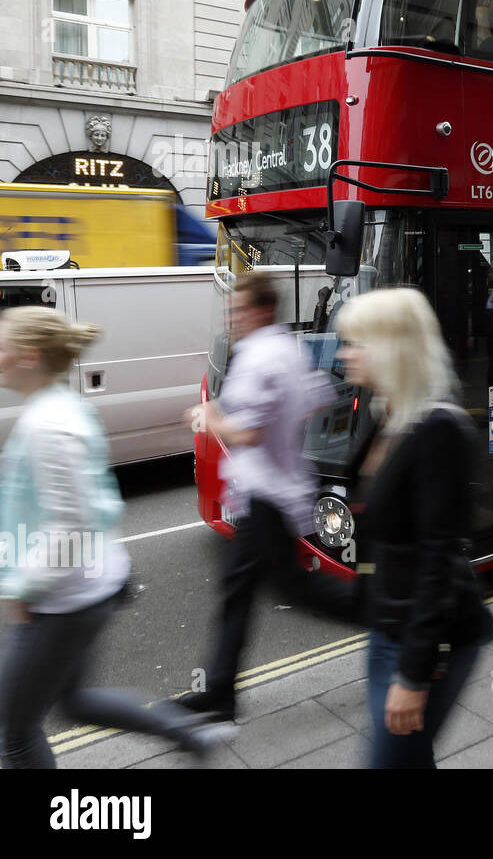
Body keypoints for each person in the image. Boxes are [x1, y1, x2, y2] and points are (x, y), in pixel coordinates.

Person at [0, 307, 233, 767]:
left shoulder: (48, 425)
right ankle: (188, 733)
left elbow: (72, 523)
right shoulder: (59, 408)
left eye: (2, 343)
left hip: (62, 599)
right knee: (75, 702)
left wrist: (19, 588)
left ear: (28, 355)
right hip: (83, 587)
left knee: (14, 733)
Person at [179, 271, 355, 722]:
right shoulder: (287, 349)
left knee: (281, 590)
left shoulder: (260, 356)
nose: (232, 318)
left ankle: (394, 619)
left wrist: (209, 416)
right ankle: (220, 693)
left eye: (237, 310)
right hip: (275, 493)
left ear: (260, 310)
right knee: (266, 589)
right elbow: (317, 398)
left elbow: (250, 432)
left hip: (268, 498)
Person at [336, 288, 493, 769]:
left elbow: (438, 560)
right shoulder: (388, 416)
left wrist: (413, 674)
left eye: (355, 343)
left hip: (428, 643)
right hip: (388, 629)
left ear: (391, 349)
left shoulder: (436, 430)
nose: (343, 354)